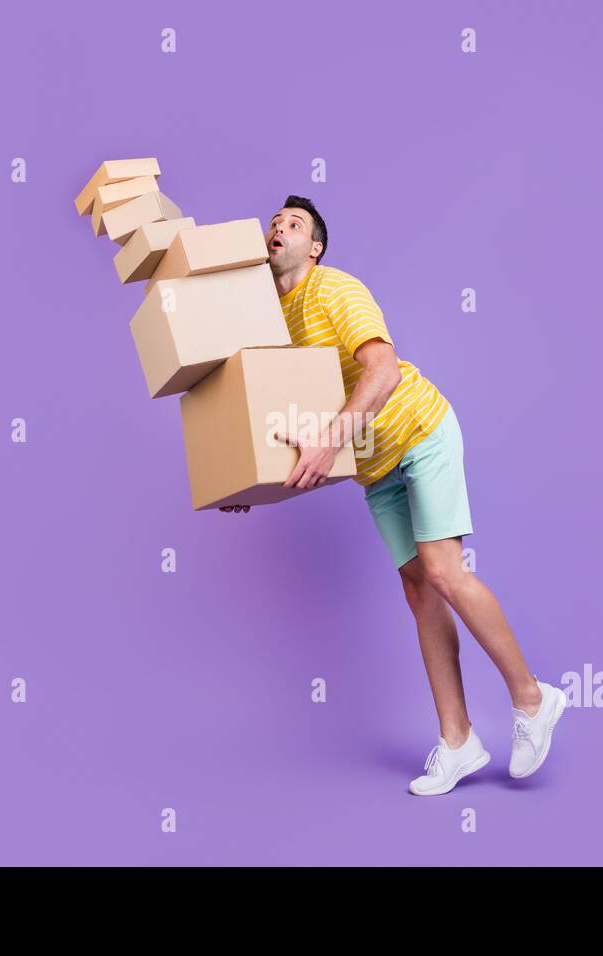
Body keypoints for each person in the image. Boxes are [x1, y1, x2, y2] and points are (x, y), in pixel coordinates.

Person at [222, 195, 567, 795]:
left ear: (316, 247)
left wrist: (330, 440)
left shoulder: (335, 290)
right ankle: (458, 740)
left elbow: (384, 369)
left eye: (294, 224)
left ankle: (533, 698)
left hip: (420, 433)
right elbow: (277, 410)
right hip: (375, 464)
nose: (278, 228)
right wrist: (245, 478)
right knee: (418, 590)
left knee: (442, 570)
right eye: (274, 222)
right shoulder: (271, 319)